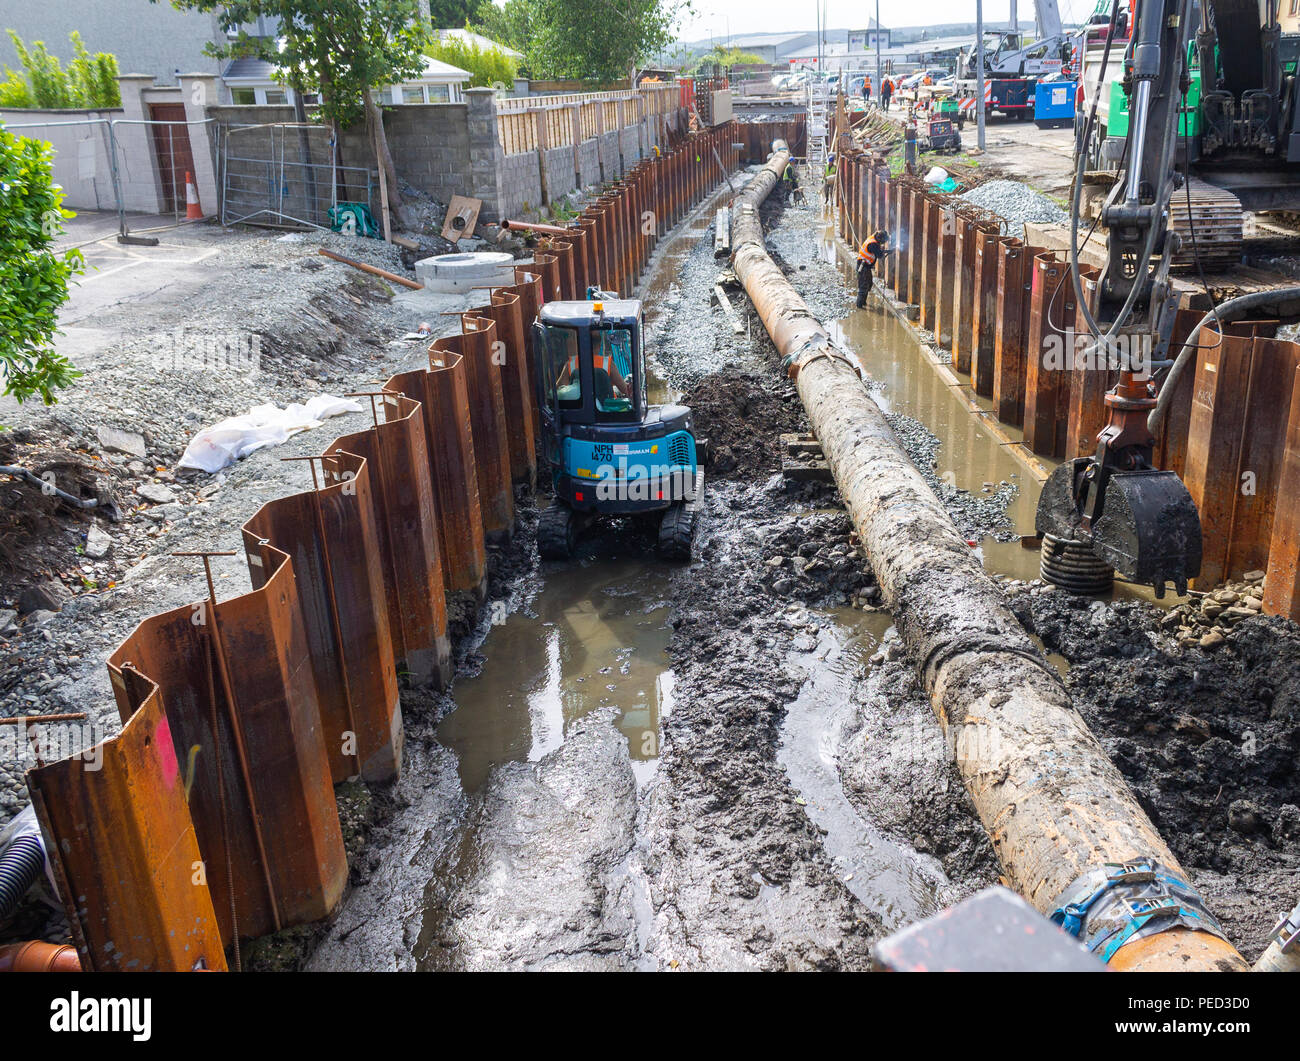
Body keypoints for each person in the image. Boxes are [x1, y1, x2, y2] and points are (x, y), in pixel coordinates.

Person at [856, 229, 891, 308]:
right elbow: (879, 255)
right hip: (863, 267)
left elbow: (878, 252)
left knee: (868, 284)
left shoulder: (873, 239)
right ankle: (859, 306)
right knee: (863, 286)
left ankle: (863, 302)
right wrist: (886, 251)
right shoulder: (872, 244)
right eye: (883, 241)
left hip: (866, 266)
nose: (883, 243)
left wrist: (885, 250)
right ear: (880, 239)